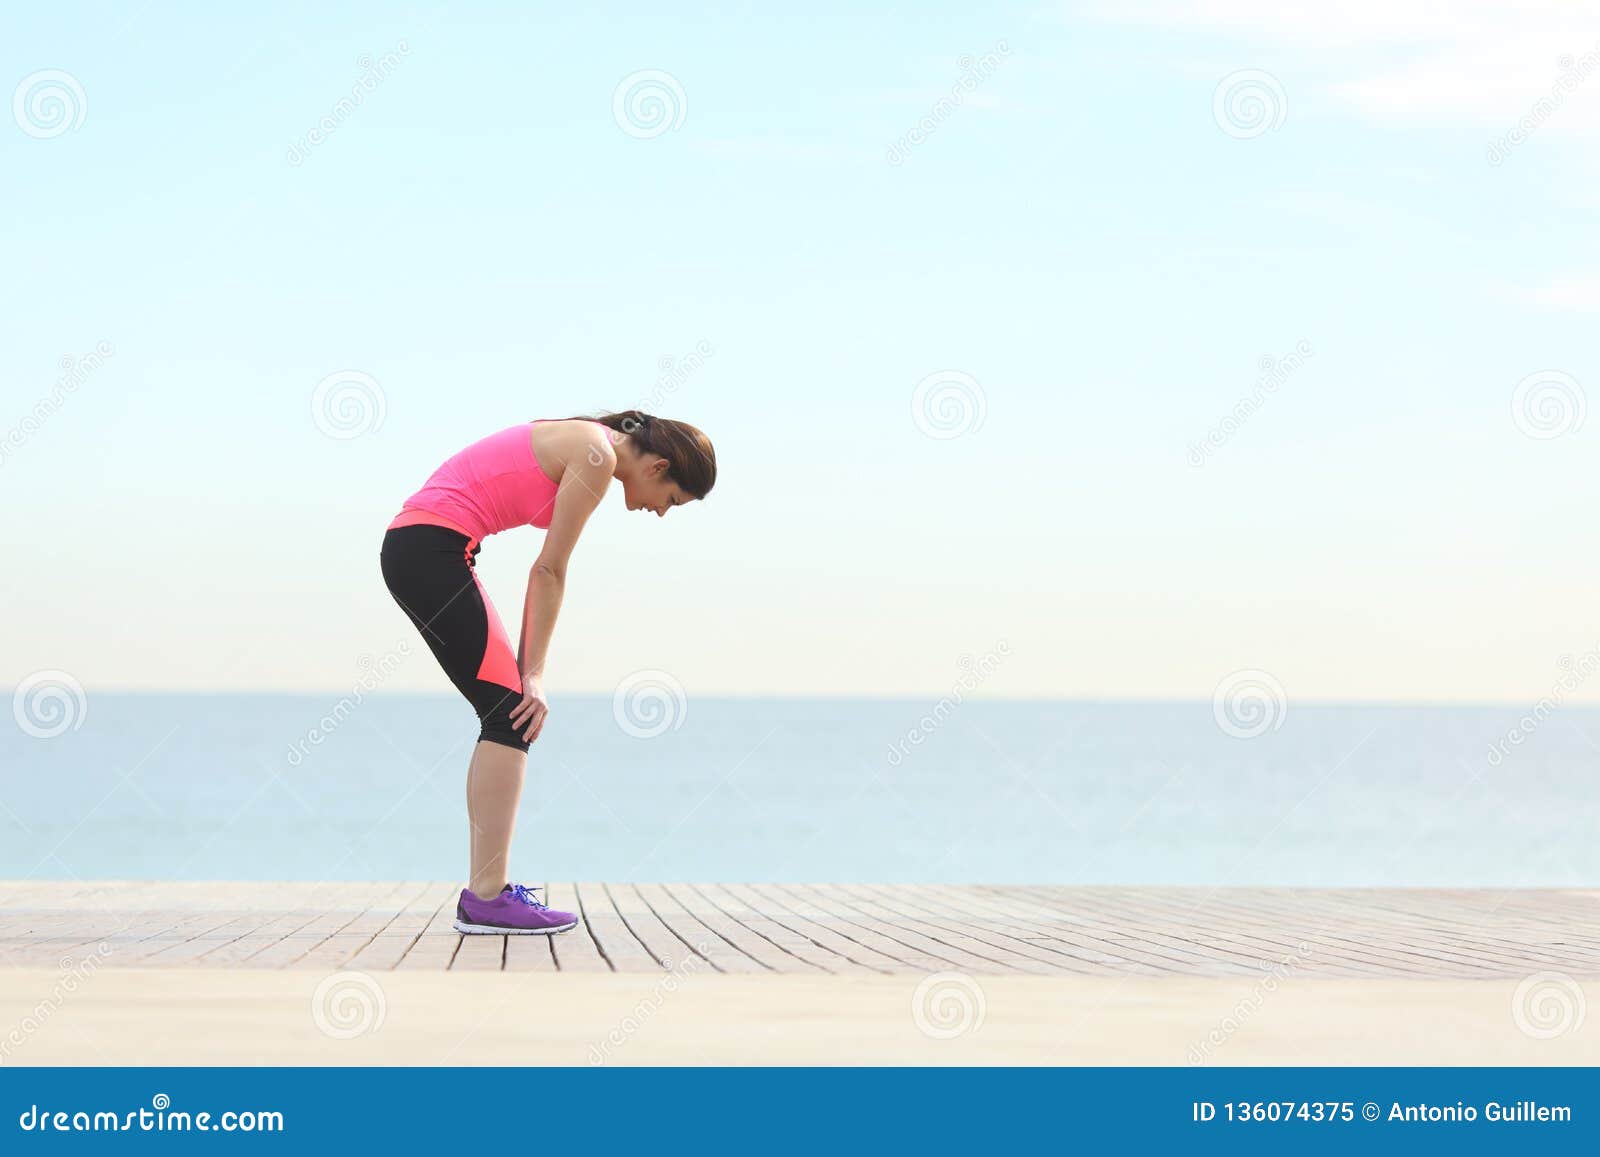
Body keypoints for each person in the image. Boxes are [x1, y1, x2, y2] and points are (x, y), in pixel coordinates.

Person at [378, 411, 716, 934]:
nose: (662, 512)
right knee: (510, 715)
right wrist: (532, 675)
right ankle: (486, 898)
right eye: (672, 500)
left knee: (501, 716)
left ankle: (485, 893)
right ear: (660, 467)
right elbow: (549, 569)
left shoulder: (592, 444)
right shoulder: (597, 456)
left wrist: (527, 672)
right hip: (430, 549)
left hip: (428, 548)